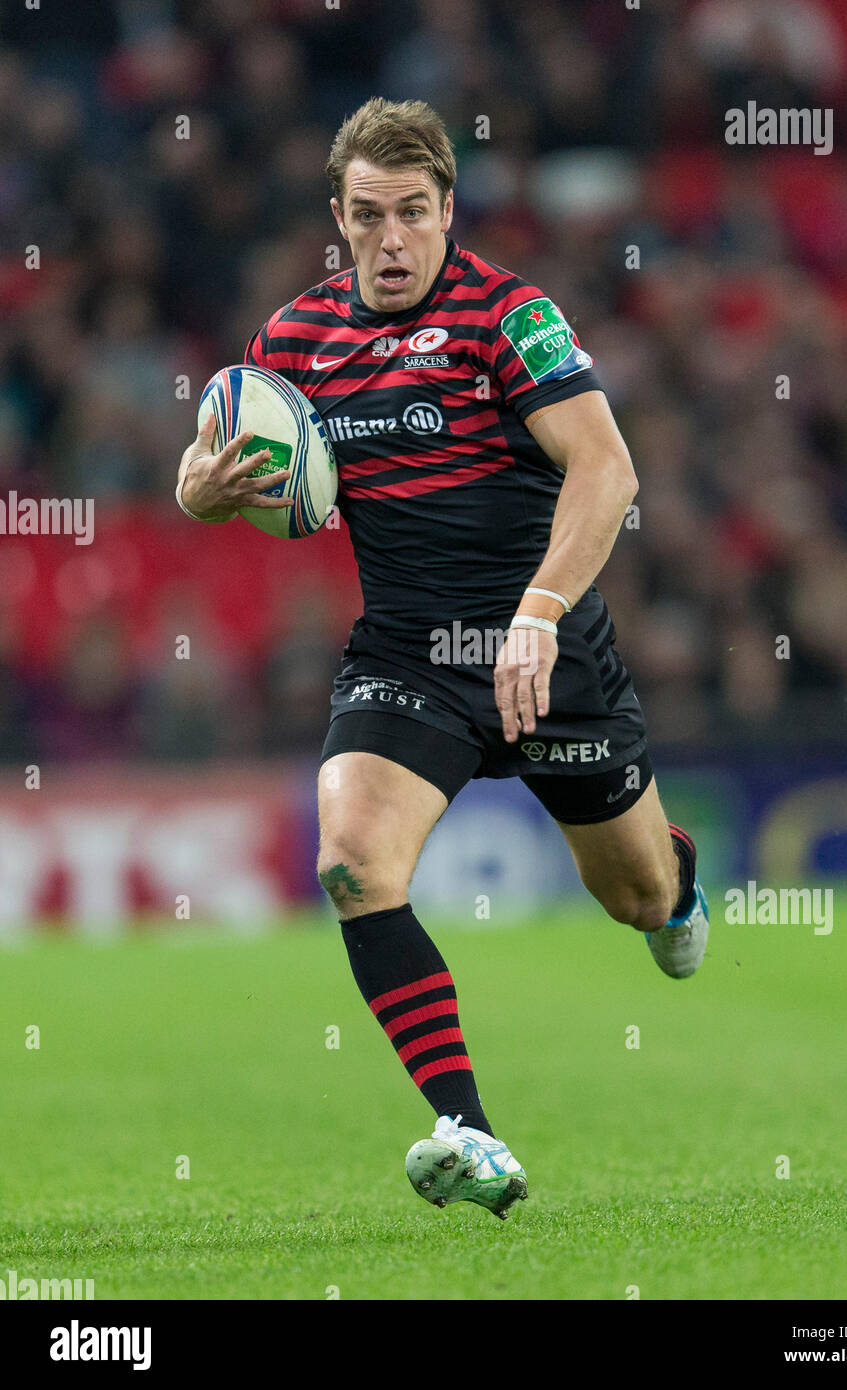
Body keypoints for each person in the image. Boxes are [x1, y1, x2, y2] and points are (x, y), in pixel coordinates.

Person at [176, 98, 709, 1222]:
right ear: (339, 216)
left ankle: (675, 875)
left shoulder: (509, 318)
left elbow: (606, 470)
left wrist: (542, 608)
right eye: (367, 216)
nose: (391, 239)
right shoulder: (295, 343)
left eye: (413, 213)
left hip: (546, 647)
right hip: (410, 655)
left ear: (448, 210)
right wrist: (200, 491)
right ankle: (470, 1129)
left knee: (638, 898)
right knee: (353, 862)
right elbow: (205, 459)